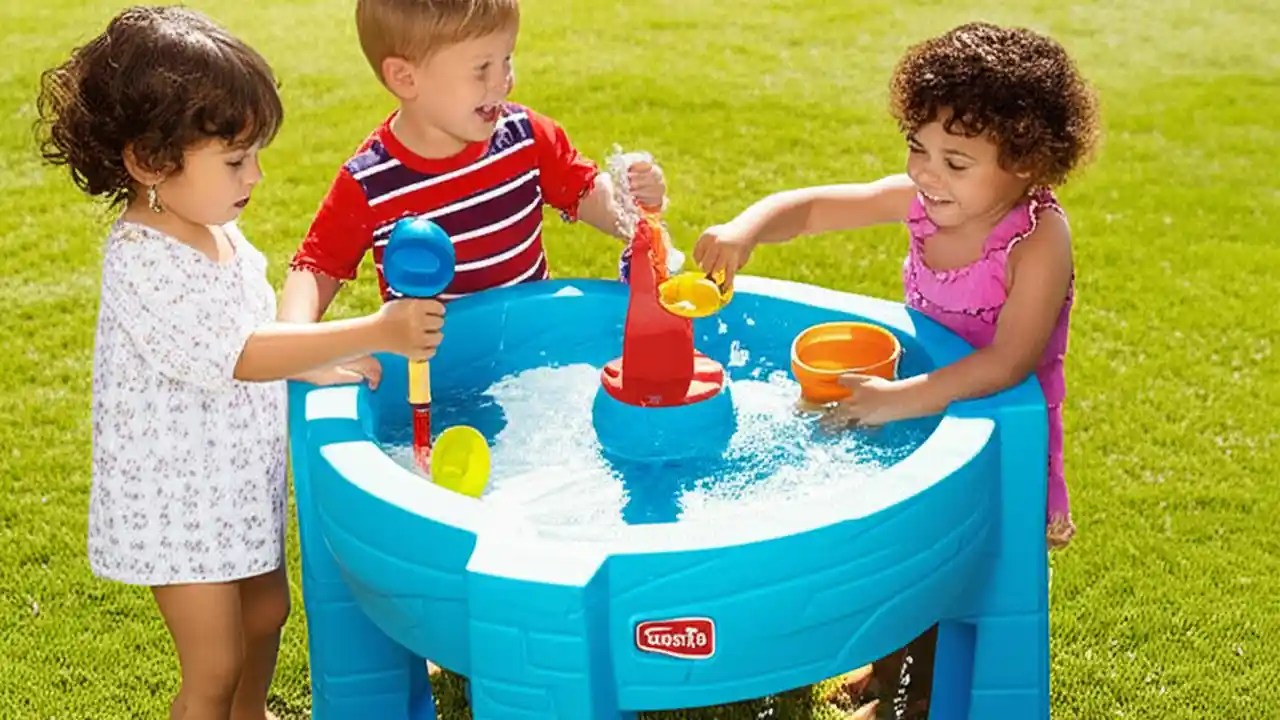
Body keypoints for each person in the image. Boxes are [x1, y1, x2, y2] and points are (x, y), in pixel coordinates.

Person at [35, 7, 444, 719]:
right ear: (149, 163)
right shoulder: (143, 260)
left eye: (254, 152)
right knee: (215, 662)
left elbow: (248, 329)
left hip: (231, 486)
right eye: (234, 160)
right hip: (175, 502)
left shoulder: (214, 230)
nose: (254, 174)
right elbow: (244, 351)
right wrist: (372, 329)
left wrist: (307, 365)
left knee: (265, 614)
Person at [693, 21, 1100, 717]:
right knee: (906, 550)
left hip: (994, 426)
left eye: (955, 161)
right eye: (919, 149)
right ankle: (887, 668)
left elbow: (1009, 360)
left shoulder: (1037, 241)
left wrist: (898, 399)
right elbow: (818, 206)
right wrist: (746, 229)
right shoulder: (925, 204)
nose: (926, 173)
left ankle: (913, 702)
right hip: (915, 401)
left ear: (1027, 161)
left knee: (953, 574)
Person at [279, 0, 669, 333]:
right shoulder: (370, 181)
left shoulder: (526, 137)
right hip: (439, 380)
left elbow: (588, 196)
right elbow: (315, 269)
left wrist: (632, 200)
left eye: (506, 60)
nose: (503, 83)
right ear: (405, 77)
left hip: (530, 356)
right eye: (482, 68)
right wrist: (298, 345)